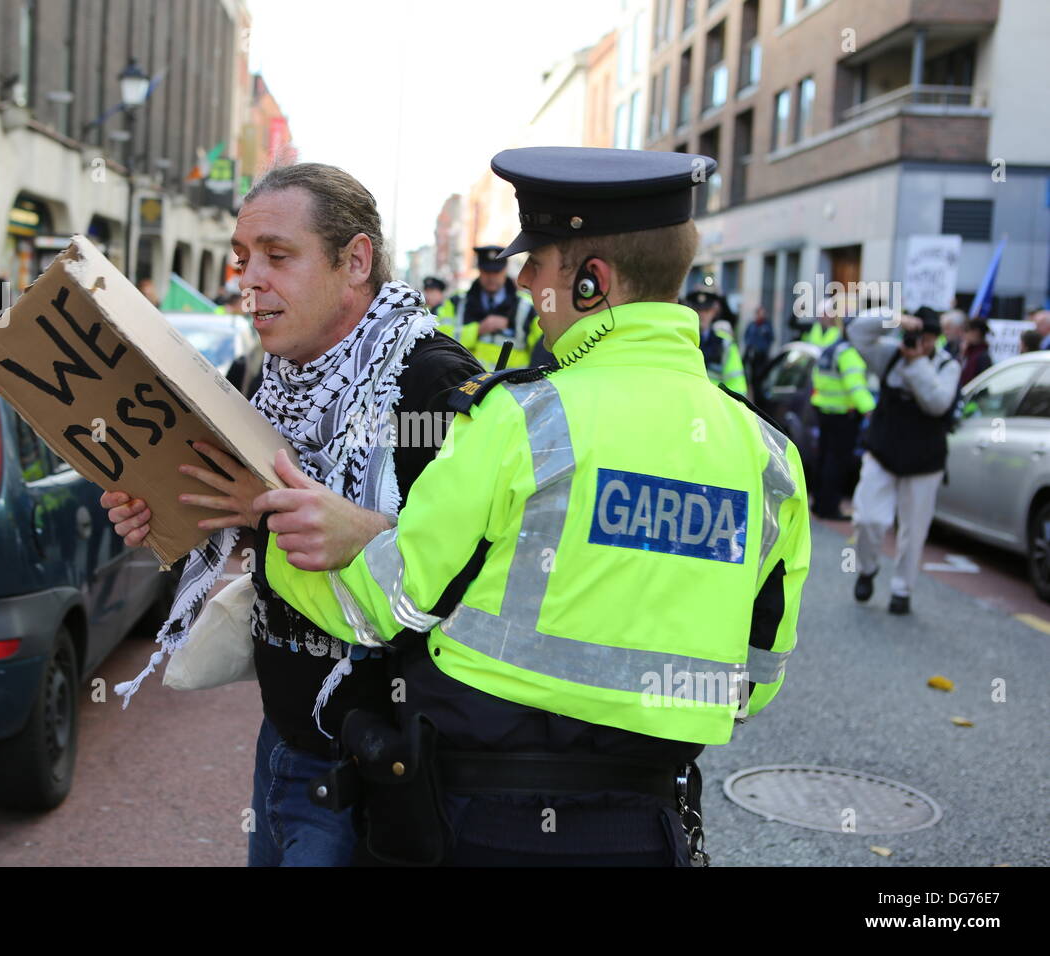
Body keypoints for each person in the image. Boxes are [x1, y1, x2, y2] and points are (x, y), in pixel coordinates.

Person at [248, 146, 810, 866]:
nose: (523, 282)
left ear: (591, 283)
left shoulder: (522, 421)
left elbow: (383, 606)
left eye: (537, 265)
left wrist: (270, 533)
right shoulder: (769, 460)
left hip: (482, 826)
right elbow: (754, 684)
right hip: (647, 831)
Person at [98, 163, 482, 866]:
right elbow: (248, 521)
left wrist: (361, 530)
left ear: (355, 261)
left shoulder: (433, 381)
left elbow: (483, 569)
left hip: (379, 755)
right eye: (244, 260)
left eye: (279, 256)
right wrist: (162, 514)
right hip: (285, 736)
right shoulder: (270, 375)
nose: (251, 280)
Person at [847, 306, 960, 614]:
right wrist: (894, 318)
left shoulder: (947, 366)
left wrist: (918, 364)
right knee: (868, 517)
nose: (919, 342)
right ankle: (867, 568)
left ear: (936, 339)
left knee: (914, 530)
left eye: (927, 337)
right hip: (883, 449)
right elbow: (857, 331)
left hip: (925, 460)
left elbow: (937, 403)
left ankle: (902, 589)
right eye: (916, 335)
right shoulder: (889, 354)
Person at [809, 309, 876, 520]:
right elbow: (855, 386)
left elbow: (817, 378)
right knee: (836, 464)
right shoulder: (848, 353)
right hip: (842, 415)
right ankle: (830, 508)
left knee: (825, 460)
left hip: (824, 411)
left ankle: (820, 504)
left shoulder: (831, 349)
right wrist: (869, 410)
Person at [435, 245, 541, 369]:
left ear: (505, 270)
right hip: (468, 385)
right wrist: (478, 329)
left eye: (496, 272)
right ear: (479, 270)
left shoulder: (527, 307)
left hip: (512, 386)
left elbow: (541, 349)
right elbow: (439, 339)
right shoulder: (456, 302)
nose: (491, 277)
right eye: (486, 271)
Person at [687, 288, 747, 395]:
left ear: (714, 311)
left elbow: (737, 387)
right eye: (698, 310)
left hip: (713, 409)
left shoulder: (725, 344)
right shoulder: (682, 340)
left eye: (706, 310)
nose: (702, 315)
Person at [742, 305, 774, 395]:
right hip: (752, 355)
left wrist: (765, 348)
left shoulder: (767, 325)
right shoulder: (752, 325)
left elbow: (771, 338)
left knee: (761, 377)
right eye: (759, 313)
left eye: (762, 313)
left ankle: (759, 393)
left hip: (762, 356)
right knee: (751, 377)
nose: (760, 315)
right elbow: (746, 336)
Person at [958, 318, 992, 388]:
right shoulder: (967, 352)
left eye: (966, 331)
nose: (964, 335)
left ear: (976, 332)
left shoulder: (983, 356)